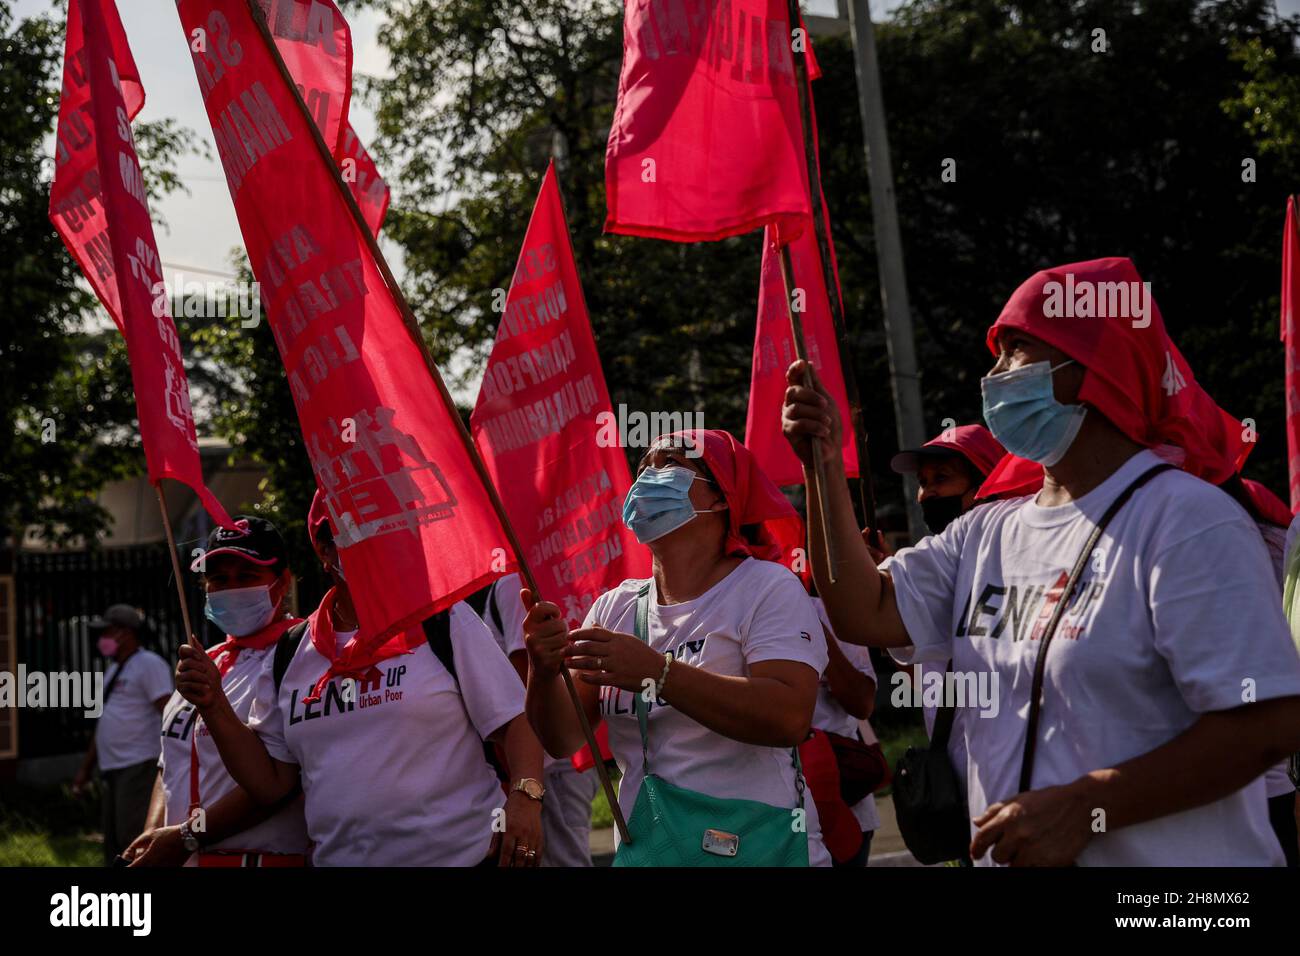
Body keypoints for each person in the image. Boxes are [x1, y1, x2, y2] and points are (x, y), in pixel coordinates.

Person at [783, 256, 1300, 865]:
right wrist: (820, 465)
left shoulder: (1186, 519)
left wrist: (1089, 805)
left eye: (1018, 350)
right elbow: (859, 609)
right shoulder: (986, 531)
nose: (995, 375)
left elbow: (1267, 721)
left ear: (1092, 369)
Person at [171, 492, 545, 866]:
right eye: (345, 534)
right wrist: (214, 704)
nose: (363, 544)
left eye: (375, 529)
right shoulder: (291, 653)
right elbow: (270, 783)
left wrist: (525, 798)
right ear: (323, 550)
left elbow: (515, 721)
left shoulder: (440, 619)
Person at [523, 429, 832, 866]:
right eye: (645, 467)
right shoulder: (614, 607)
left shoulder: (766, 587)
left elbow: (788, 716)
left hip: (759, 851)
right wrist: (543, 668)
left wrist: (660, 674)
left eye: (670, 465)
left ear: (724, 496)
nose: (650, 477)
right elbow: (561, 737)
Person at [124, 517, 310, 866]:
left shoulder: (303, 658)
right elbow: (170, 765)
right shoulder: (203, 663)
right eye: (219, 579)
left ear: (282, 583)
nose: (231, 588)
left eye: (247, 577)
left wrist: (185, 837)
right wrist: (151, 837)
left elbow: (278, 784)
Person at [887, 423, 1006, 859]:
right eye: (923, 483)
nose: (927, 494)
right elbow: (916, 667)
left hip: (1002, 776)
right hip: (953, 781)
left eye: (943, 479)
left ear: (985, 483)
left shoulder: (1008, 562)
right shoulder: (930, 566)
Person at [481, 572, 598, 867]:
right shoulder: (514, 581)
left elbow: (524, 681)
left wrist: (527, 785)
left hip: (551, 766)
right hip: (552, 762)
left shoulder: (514, 582)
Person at [73, 603, 174, 865]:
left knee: (132, 839)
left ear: (126, 633)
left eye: (107, 632)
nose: (102, 639)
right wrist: (86, 769)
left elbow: (169, 711)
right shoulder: (114, 670)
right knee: (115, 840)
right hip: (112, 767)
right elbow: (104, 723)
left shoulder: (148, 664)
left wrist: (174, 758)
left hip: (138, 763)